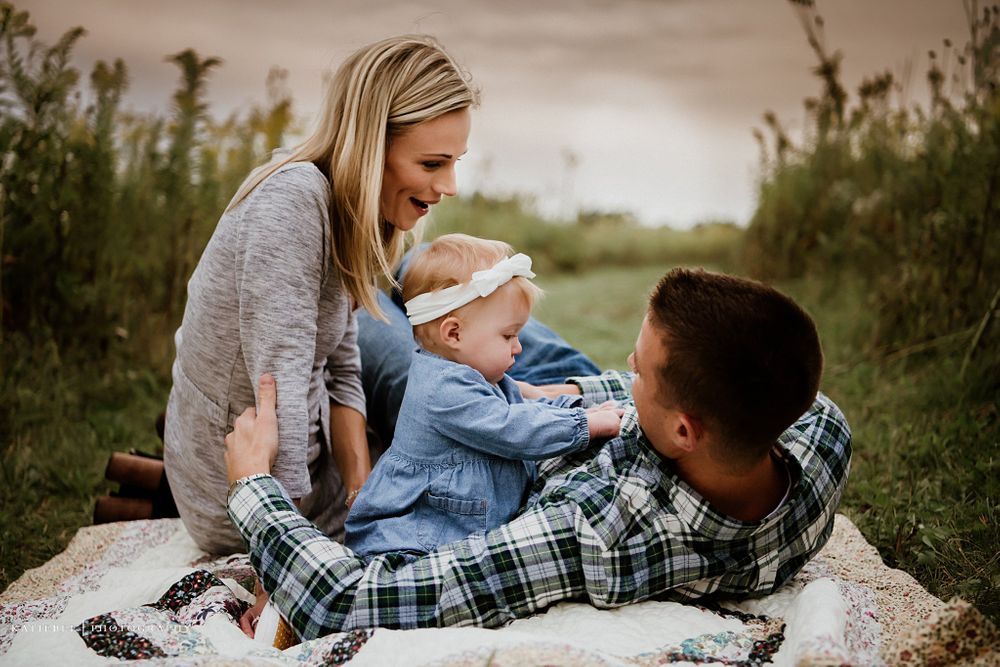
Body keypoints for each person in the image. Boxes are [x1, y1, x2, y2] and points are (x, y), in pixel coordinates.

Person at [224, 267, 852, 639]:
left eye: (641, 367)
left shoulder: (593, 534)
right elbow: (637, 393)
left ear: (687, 432)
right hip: (558, 399)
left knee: (361, 303)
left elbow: (349, 602)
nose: (626, 363)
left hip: (479, 432)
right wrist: (572, 390)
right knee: (437, 267)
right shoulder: (817, 435)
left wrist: (255, 488)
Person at [163, 34, 479, 555]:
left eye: (455, 162)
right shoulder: (292, 202)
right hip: (243, 501)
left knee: (469, 295)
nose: (450, 185)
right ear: (373, 145)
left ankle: (561, 394)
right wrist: (282, 559)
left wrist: (361, 489)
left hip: (314, 473)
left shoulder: (349, 214)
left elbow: (343, 368)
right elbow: (278, 395)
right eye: (432, 164)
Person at [344, 234, 623, 557]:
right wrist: (584, 425)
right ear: (454, 333)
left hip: (451, 522)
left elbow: (526, 405)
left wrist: (578, 408)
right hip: (415, 535)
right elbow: (512, 426)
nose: (519, 347)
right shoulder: (442, 389)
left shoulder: (473, 372)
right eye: (508, 335)